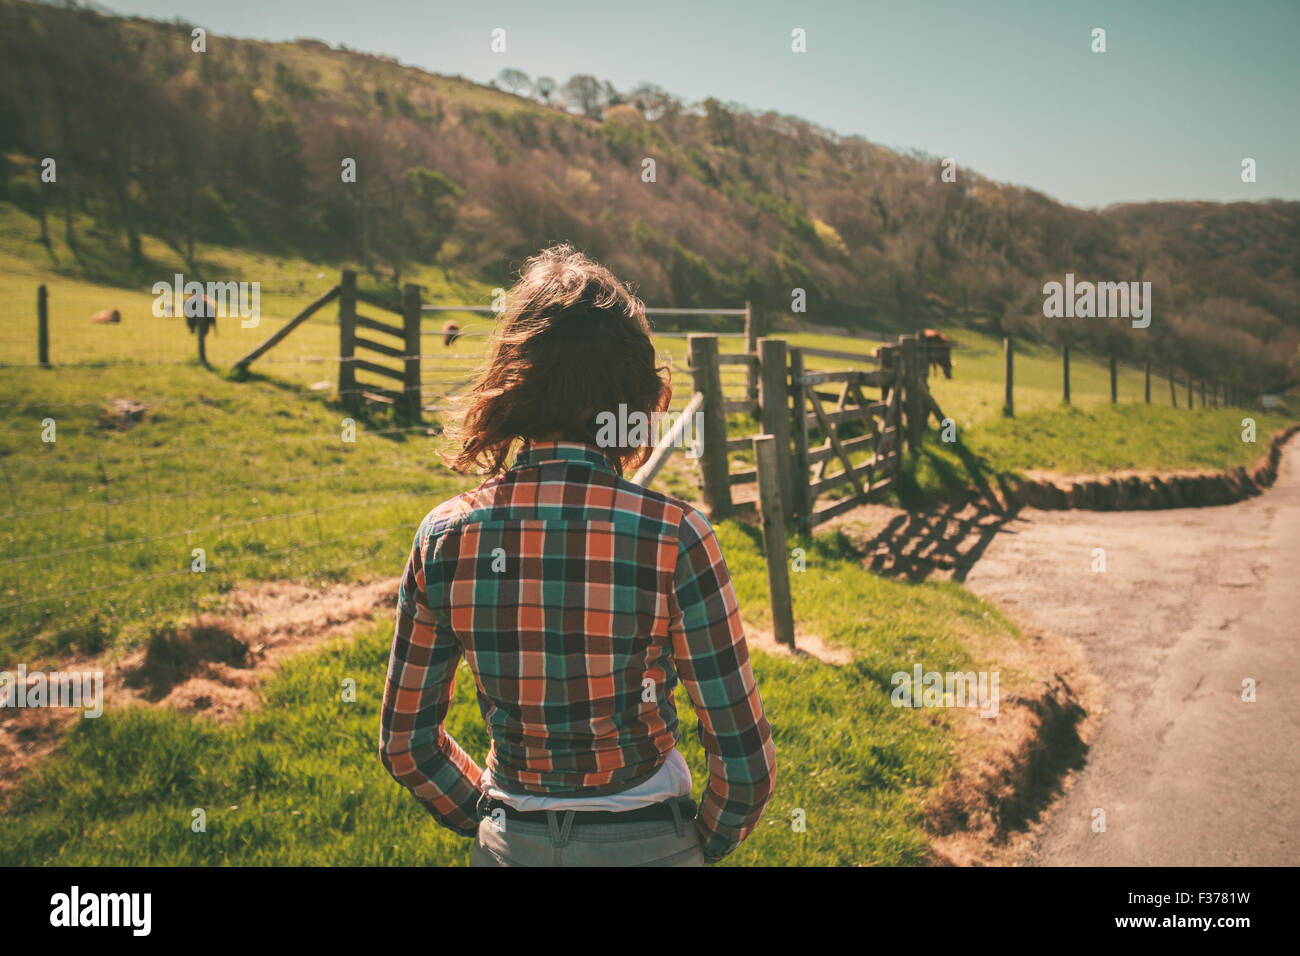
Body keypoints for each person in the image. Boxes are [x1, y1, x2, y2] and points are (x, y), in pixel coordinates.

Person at [379, 244, 776, 866]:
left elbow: (406, 744)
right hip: (651, 839)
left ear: (511, 380)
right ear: (637, 394)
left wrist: (493, 816)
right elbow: (744, 760)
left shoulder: (443, 537)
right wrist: (700, 843)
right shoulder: (677, 537)